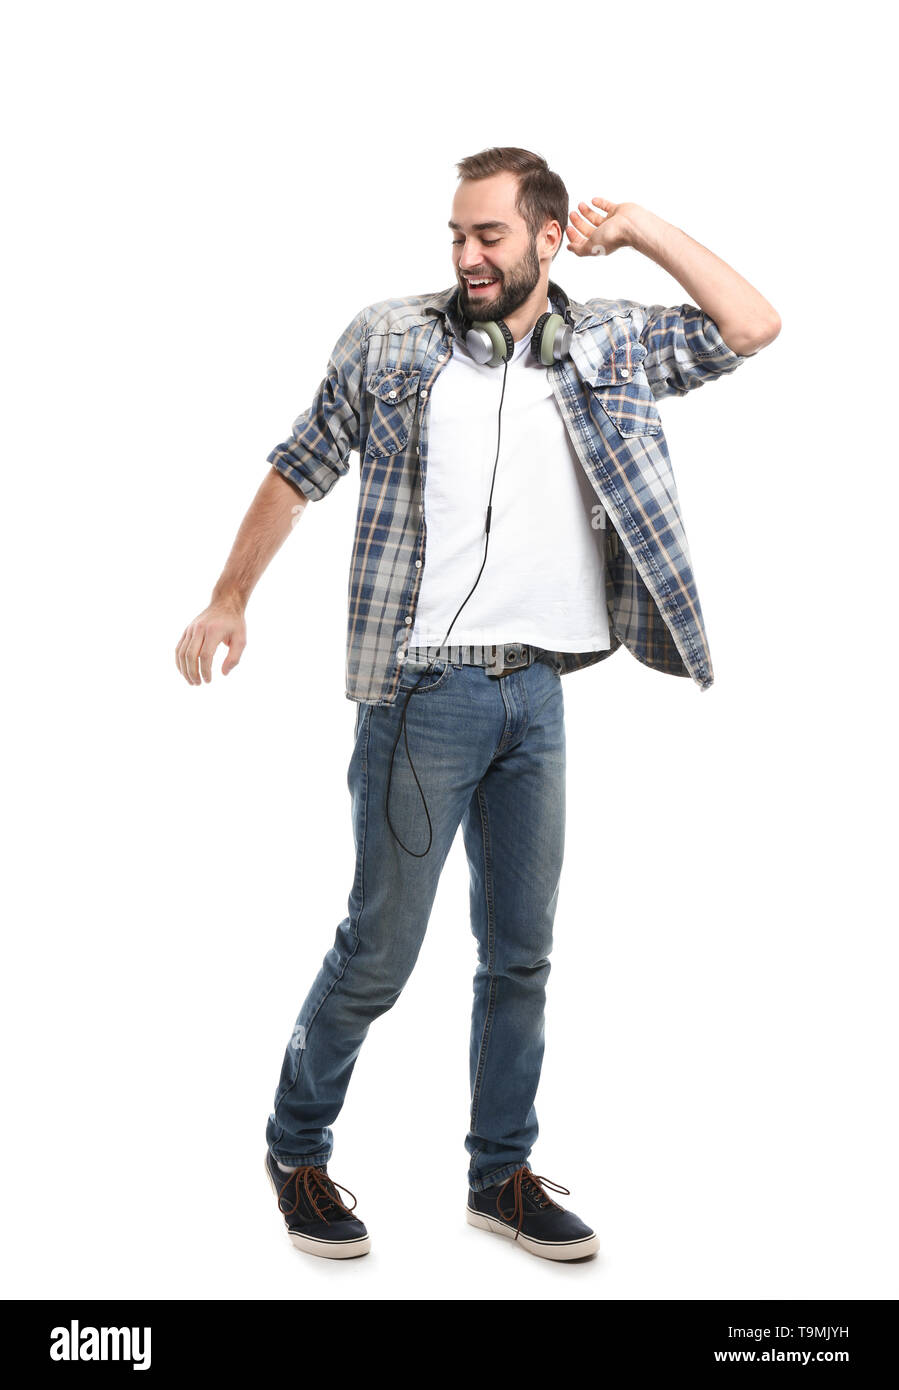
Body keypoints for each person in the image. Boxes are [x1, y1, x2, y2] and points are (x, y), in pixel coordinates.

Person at [174, 146, 781, 1263]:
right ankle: (295, 1146)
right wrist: (227, 598)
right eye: (455, 235)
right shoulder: (390, 339)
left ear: (548, 238)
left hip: (536, 695)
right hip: (420, 698)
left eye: (489, 236)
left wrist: (641, 227)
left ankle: (497, 1174)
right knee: (379, 952)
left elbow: (749, 326)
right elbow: (298, 466)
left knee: (519, 958)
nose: (466, 256)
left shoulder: (603, 342)